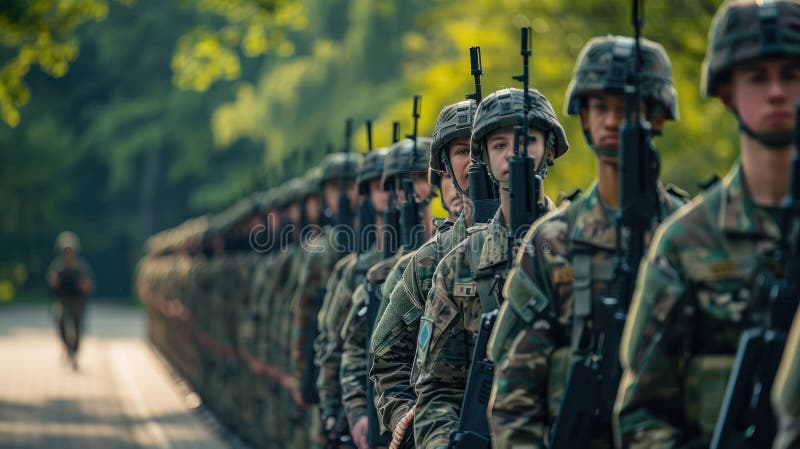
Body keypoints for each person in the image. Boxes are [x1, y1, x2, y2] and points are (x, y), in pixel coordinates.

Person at [614, 1, 800, 447]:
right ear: (727, 91)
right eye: (757, 77)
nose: (776, 92)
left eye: (791, 75)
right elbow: (642, 416)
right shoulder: (685, 242)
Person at [488, 35, 686, 449]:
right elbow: (514, 399)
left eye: (628, 107)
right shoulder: (552, 241)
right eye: (600, 107)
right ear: (583, 117)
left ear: (658, 115)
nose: (613, 120)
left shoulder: (690, 237)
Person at [413, 87, 568, 449]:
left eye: (527, 140)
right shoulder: (459, 266)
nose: (514, 154)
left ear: (549, 149)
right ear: (484, 156)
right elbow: (436, 390)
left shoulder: (582, 249)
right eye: (500, 145)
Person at [370, 99, 475, 449]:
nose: (475, 160)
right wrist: (411, 423)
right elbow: (383, 357)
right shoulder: (426, 263)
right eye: (463, 151)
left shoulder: (549, 241)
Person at [47, 231, 94, 370]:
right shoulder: (56, 266)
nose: (68, 253)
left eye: (70, 250)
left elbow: (89, 285)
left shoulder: (81, 267)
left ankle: (73, 351)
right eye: (65, 251)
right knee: (60, 320)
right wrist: (54, 282)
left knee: (78, 327)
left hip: (77, 301)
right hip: (62, 300)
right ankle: (68, 348)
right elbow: (51, 283)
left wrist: (84, 285)